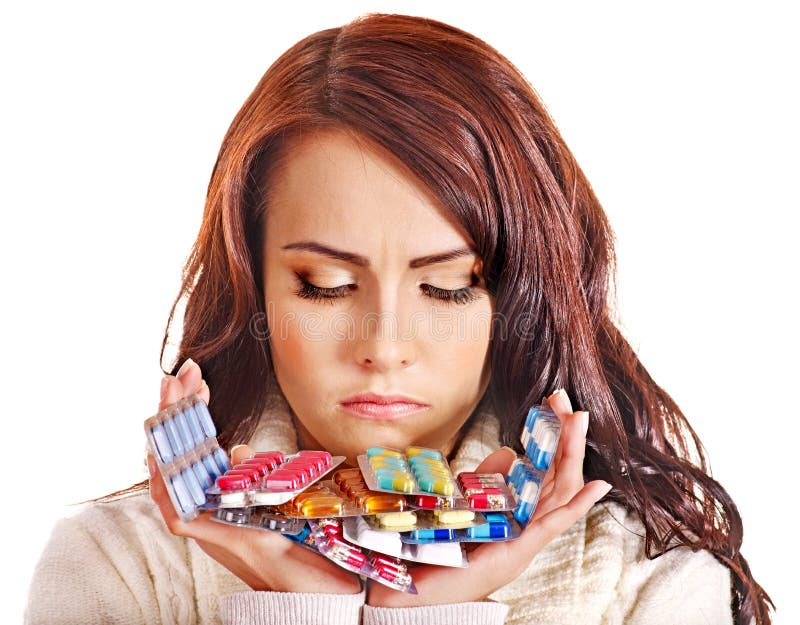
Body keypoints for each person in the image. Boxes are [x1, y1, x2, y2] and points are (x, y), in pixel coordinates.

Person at [25, 12, 773, 625]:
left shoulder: (648, 587)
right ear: (254, 290)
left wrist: (426, 609)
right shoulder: (117, 568)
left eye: (446, 287)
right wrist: (301, 604)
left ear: (518, 298)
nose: (384, 347)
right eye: (325, 286)